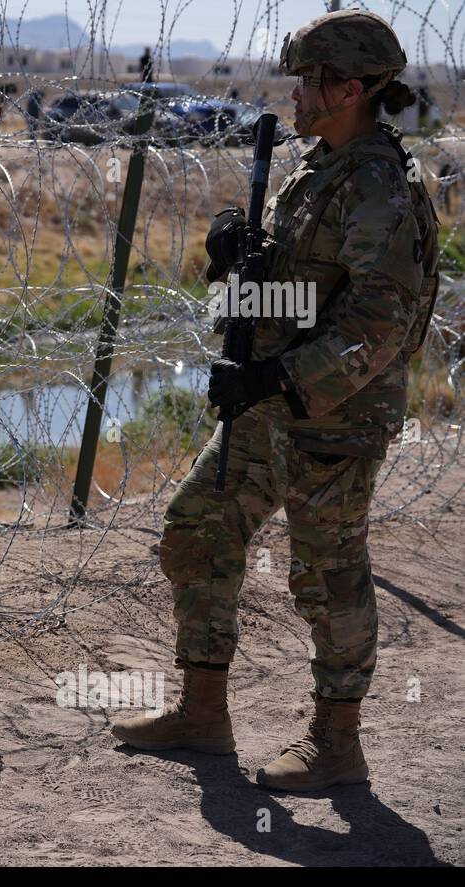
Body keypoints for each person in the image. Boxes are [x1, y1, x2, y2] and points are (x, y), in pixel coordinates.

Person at [111, 10, 438, 792]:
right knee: (198, 526)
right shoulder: (317, 164)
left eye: (307, 79)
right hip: (273, 402)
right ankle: (204, 712)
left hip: (333, 414)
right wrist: (238, 264)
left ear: (349, 88)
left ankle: (337, 745)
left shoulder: (376, 183)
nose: (293, 93)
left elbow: (379, 321)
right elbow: (306, 294)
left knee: (326, 573)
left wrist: (278, 378)